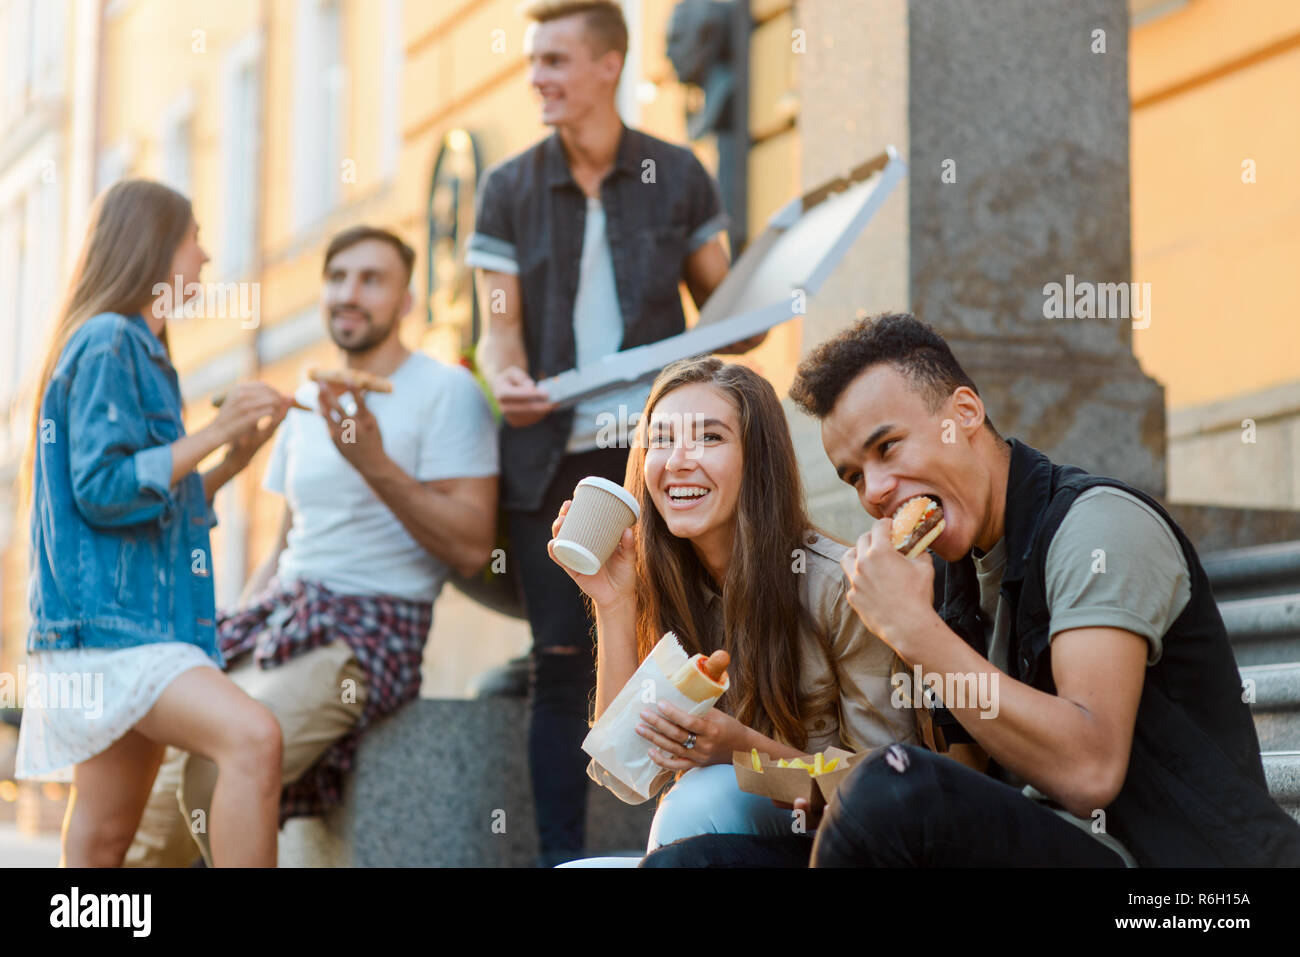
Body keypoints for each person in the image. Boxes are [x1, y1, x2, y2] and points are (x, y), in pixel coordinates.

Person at [643, 312, 1300, 867]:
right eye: (852, 477)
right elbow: (961, 784)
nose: (874, 492)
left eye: (888, 448)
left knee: (890, 784)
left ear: (964, 411)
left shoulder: (1097, 525)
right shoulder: (953, 576)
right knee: (695, 861)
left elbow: (1088, 769)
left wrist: (913, 630)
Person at [466, 0, 761, 866]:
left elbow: (727, 314)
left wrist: (772, 289)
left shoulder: (676, 173)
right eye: (533, 63)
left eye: (555, 60)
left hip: (662, 446)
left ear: (609, 65)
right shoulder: (508, 186)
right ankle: (568, 858)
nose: (538, 80)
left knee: (685, 641)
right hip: (553, 454)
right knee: (564, 658)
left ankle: (681, 839)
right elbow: (495, 316)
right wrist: (504, 370)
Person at [125, 225, 499, 867]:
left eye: (372, 280)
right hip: (279, 619)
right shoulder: (307, 396)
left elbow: (471, 547)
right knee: (148, 800)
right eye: (338, 278)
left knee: (216, 774)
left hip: (366, 627)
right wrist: (233, 633)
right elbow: (285, 542)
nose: (349, 294)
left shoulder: (445, 391)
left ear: (407, 300)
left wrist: (373, 462)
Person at [548, 357, 919, 862]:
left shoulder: (840, 587)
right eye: (661, 440)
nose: (678, 460)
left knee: (706, 795)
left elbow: (888, 795)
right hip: (718, 849)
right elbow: (624, 774)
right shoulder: (667, 583)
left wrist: (742, 750)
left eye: (709, 437)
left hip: (832, 848)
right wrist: (613, 601)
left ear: (757, 460)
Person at [16, 179, 286, 867]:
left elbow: (154, 501)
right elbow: (104, 485)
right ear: (156, 246)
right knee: (253, 737)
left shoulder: (140, 348)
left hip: (129, 627)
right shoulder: (111, 340)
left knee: (105, 837)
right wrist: (218, 427)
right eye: (195, 236)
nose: (205, 255)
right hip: (116, 630)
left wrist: (234, 453)